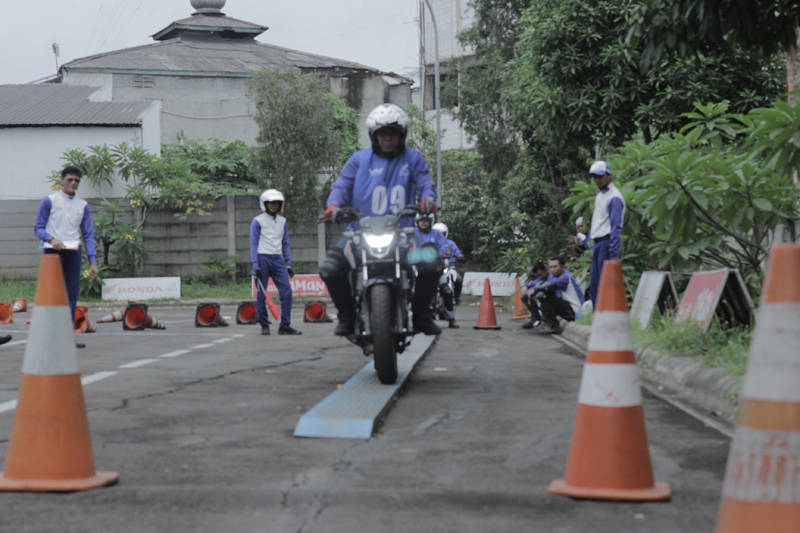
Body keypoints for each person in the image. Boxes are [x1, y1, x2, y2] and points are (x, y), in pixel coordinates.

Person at [320, 103, 442, 336]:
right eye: (383, 134)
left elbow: (425, 183)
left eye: (393, 134)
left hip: (404, 236)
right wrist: (333, 206)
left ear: (401, 135)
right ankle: (347, 316)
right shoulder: (358, 160)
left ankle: (421, 314)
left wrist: (428, 200)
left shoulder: (413, 158)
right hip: (358, 235)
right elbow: (341, 185)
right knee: (329, 269)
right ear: (374, 136)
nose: (388, 138)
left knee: (432, 263)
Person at [34, 166, 98, 349]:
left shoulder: (82, 205)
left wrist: (93, 261)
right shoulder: (50, 201)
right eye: (70, 179)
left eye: (77, 180)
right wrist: (51, 238)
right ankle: (47, 337)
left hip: (73, 252)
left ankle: (66, 338)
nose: (73, 183)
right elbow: (38, 228)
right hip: (52, 253)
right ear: (62, 180)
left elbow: (88, 234)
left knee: (70, 295)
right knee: (51, 295)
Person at [250, 189, 301, 336]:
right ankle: (264, 325)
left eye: (276, 203)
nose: (273, 206)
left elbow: (285, 243)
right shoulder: (257, 221)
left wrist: (288, 264)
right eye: (271, 203)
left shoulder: (282, 221)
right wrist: (255, 264)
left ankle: (285, 325)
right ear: (264, 204)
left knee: (286, 291)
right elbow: (253, 243)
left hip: (277, 259)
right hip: (262, 258)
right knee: (262, 294)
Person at [587, 160, 625, 309]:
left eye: (600, 177)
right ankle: (598, 317)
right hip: (597, 244)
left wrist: (613, 254)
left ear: (609, 176)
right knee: (595, 285)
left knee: (606, 285)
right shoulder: (599, 196)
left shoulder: (614, 197)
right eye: (594, 177)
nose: (597, 180)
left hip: (607, 243)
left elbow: (616, 227)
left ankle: (607, 317)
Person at [419, 217, 458, 328]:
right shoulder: (424, 242)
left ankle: (451, 319)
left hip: (439, 273)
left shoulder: (445, 245)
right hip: (425, 275)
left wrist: (445, 261)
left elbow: (447, 257)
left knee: (447, 292)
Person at [534, 256, 586, 334]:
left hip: (575, 310)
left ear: (562, 267)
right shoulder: (558, 277)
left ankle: (553, 326)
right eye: (550, 267)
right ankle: (548, 322)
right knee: (544, 293)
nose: (552, 269)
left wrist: (534, 289)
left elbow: (544, 286)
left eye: (555, 267)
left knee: (544, 295)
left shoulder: (565, 277)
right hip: (568, 308)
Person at [433, 222, 465, 305]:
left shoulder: (450, 243)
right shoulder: (431, 243)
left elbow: (457, 251)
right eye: (438, 234)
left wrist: (460, 256)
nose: (440, 236)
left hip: (450, 268)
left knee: (458, 279)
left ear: (446, 233)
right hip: (434, 268)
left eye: (442, 234)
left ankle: (457, 297)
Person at [520, 261, 548, 329]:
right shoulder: (541, 278)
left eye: (540, 275)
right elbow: (532, 284)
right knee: (525, 295)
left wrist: (534, 290)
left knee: (540, 295)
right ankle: (535, 318)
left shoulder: (553, 277)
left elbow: (547, 285)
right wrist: (526, 287)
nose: (539, 277)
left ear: (545, 270)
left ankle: (546, 319)